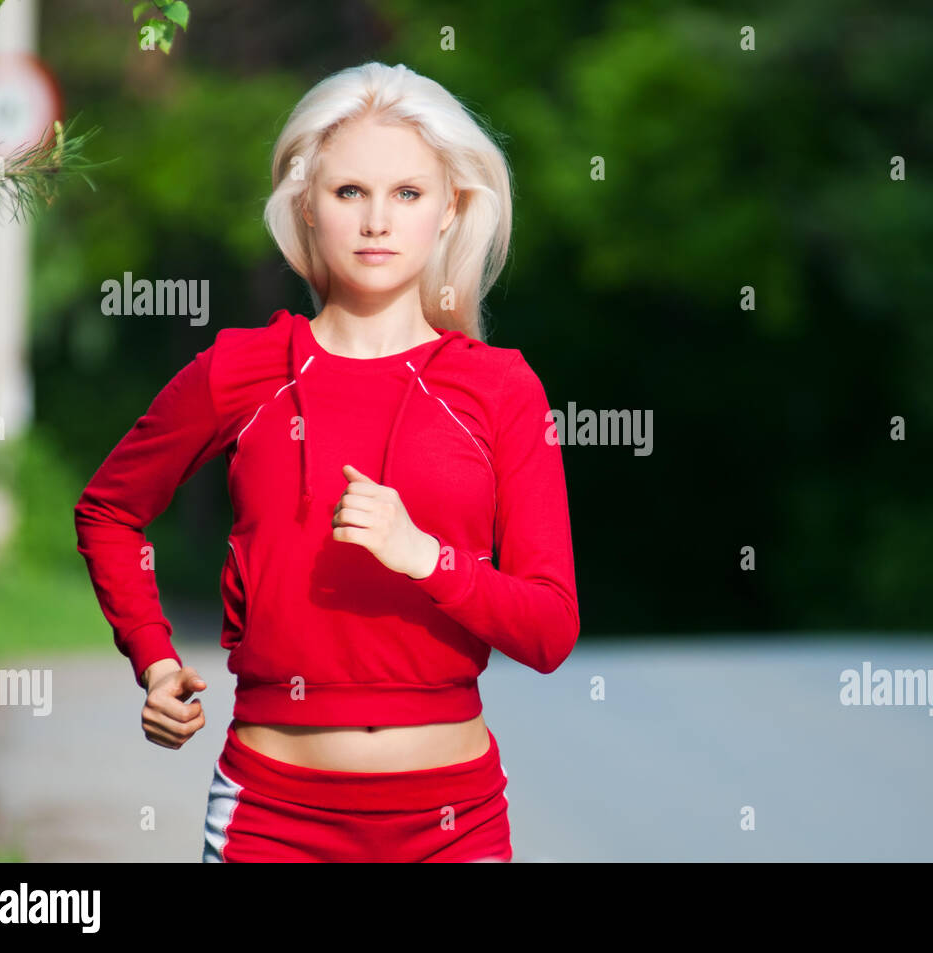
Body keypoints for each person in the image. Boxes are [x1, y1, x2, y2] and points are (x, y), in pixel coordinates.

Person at [72, 61, 580, 862]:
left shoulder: (500, 387)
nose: (377, 220)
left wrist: (426, 558)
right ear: (306, 206)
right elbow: (108, 508)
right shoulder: (242, 369)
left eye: (408, 194)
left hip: (452, 820)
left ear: (451, 209)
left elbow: (550, 627)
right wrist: (155, 657)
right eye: (349, 193)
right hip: (273, 816)